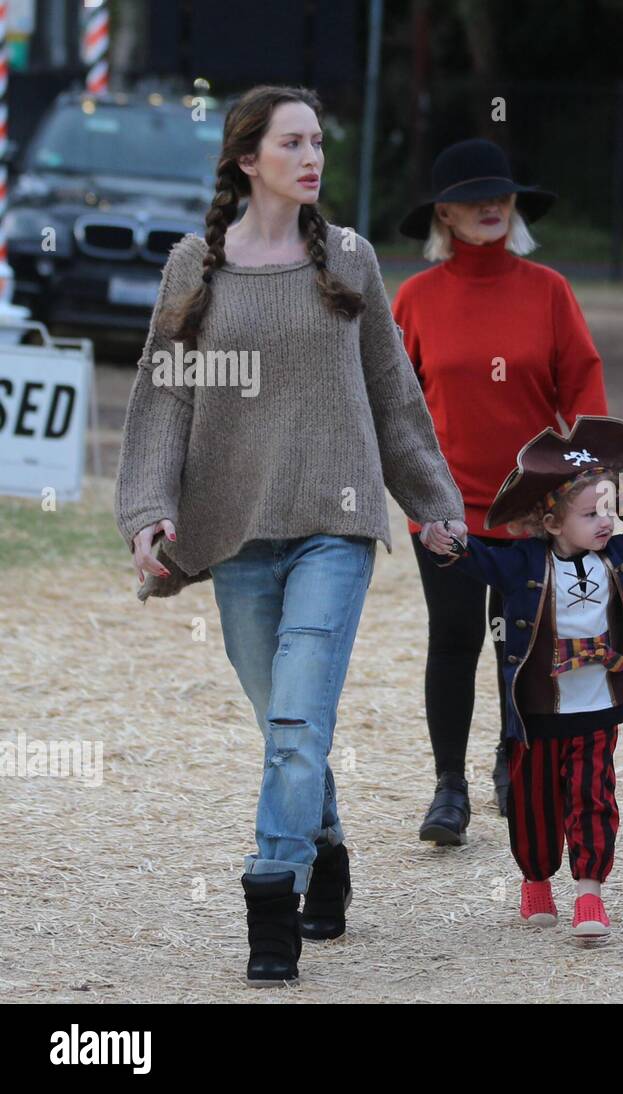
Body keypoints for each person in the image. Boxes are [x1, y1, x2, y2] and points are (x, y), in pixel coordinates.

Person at [114, 85, 466, 985]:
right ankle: (331, 844)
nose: (312, 159)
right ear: (247, 159)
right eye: (293, 143)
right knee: (287, 727)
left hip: (336, 525)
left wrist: (433, 501)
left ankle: (273, 891)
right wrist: (149, 506)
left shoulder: (347, 258)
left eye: (319, 142)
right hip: (237, 530)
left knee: (301, 721)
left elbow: (391, 387)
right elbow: (164, 399)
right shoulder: (197, 265)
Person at [427, 416, 623, 938]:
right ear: (551, 522)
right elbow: (474, 559)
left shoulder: (614, 556)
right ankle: (535, 880)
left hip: (597, 706)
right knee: (533, 804)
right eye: (591, 513)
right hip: (538, 712)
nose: (605, 522)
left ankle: (589, 893)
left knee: (595, 797)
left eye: (609, 509)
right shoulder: (520, 562)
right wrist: (449, 540)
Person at [394, 138, 608, 844]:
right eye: (472, 197)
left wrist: (582, 480)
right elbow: (393, 407)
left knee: (522, 646)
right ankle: (448, 789)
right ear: (444, 214)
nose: (490, 205)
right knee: (454, 639)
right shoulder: (416, 299)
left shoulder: (549, 290)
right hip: (446, 507)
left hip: (532, 513)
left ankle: (513, 767)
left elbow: (583, 391)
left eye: (501, 194)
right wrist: (417, 507)